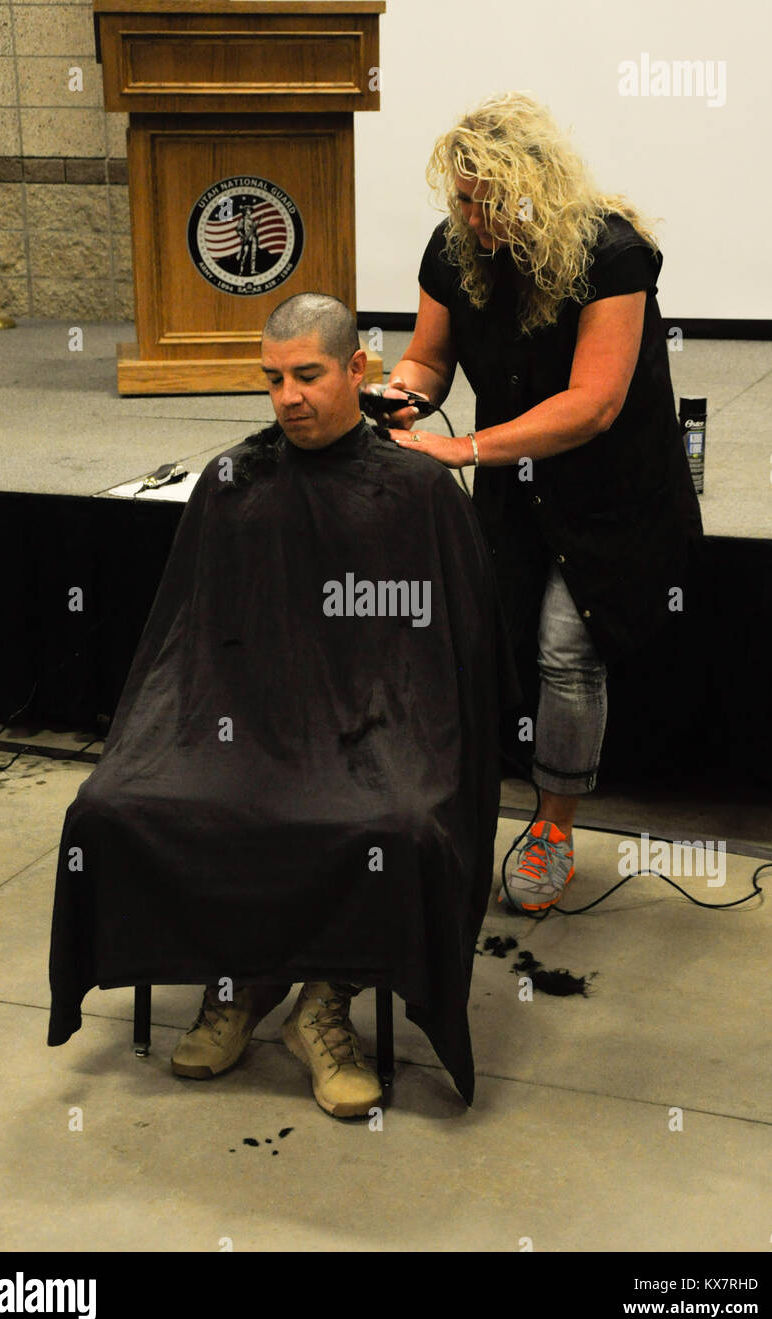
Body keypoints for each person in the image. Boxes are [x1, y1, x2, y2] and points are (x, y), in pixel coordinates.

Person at [47, 293, 522, 1117]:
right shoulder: (237, 482)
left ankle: (323, 1006)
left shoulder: (419, 491)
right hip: (243, 727)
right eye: (271, 379)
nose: (288, 397)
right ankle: (239, 984)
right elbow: (183, 645)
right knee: (112, 805)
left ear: (357, 370)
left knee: (395, 824)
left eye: (307, 375)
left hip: (381, 732)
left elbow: (457, 665)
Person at [372, 91, 703, 913]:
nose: (471, 216)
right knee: (484, 641)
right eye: (460, 198)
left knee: (565, 647)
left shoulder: (611, 254)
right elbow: (427, 359)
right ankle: (459, 811)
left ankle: (552, 829)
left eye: (486, 202)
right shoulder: (453, 252)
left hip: (613, 492)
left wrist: (460, 448)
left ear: (534, 189)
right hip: (515, 484)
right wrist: (396, 395)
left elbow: (593, 404)